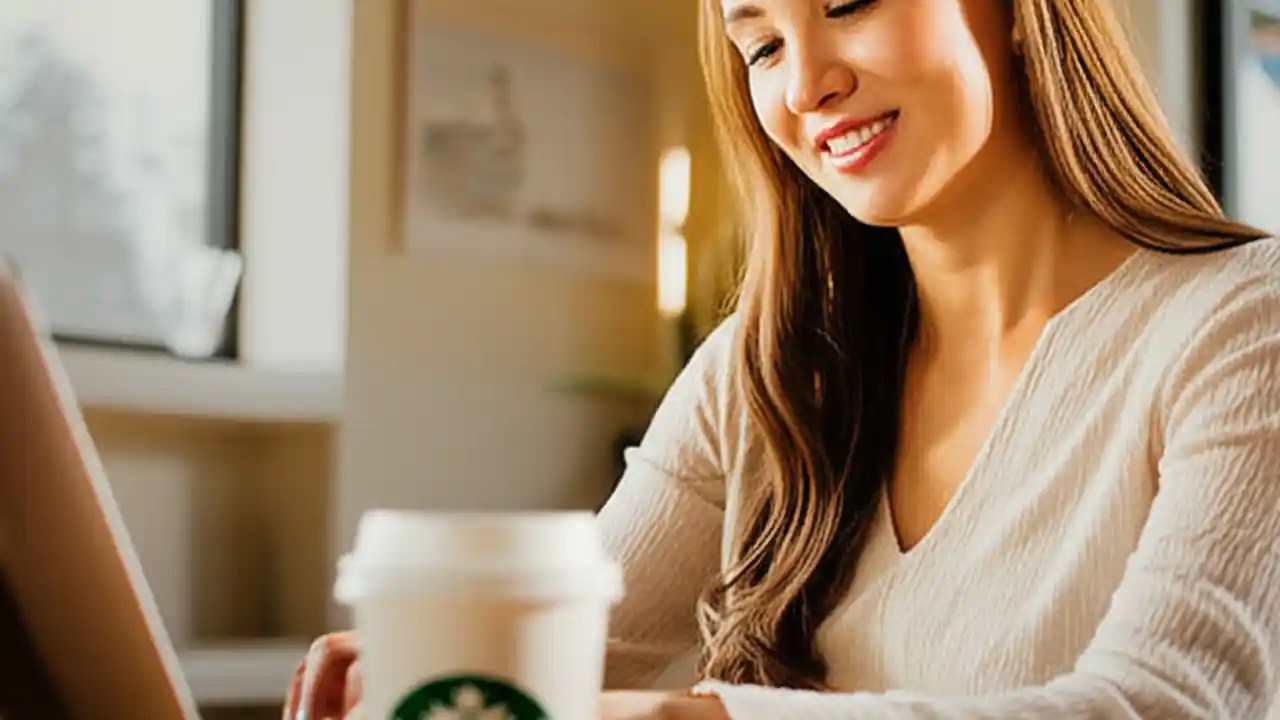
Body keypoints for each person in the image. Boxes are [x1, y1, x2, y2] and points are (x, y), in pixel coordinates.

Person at [285, 0, 1280, 717]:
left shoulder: (1240, 323)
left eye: (848, 4)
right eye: (759, 43)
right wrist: (442, 661)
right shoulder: (762, 371)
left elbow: (1163, 704)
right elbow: (578, 640)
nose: (806, 85)